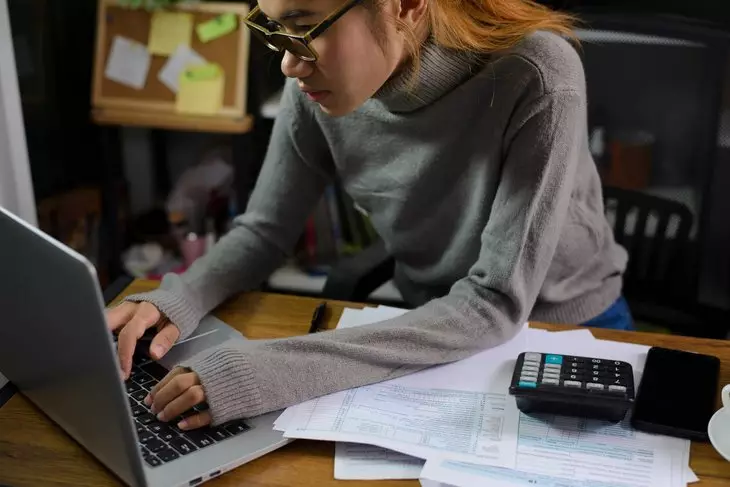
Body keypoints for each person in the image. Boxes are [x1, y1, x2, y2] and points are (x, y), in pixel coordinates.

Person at [107, 0, 631, 431]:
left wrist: (270, 369)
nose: (289, 63)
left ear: (404, 5)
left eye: (305, 27)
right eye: (274, 28)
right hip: (431, 321)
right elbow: (265, 230)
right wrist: (179, 297)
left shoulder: (537, 74)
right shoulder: (312, 89)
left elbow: (495, 302)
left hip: (563, 328)